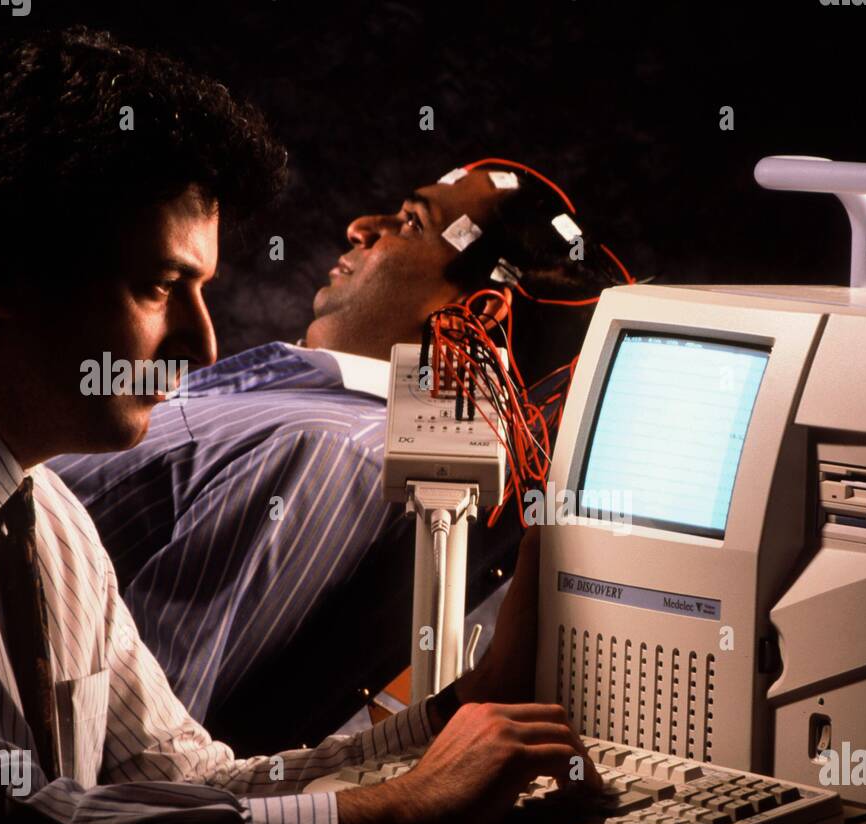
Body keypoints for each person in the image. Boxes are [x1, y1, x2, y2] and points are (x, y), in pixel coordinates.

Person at [0, 27, 599, 824]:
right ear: (10, 274)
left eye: (200, 287)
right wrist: (396, 808)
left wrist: (445, 722)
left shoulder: (49, 512)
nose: (200, 338)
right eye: (161, 287)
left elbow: (185, 778)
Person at [49, 161, 631, 753]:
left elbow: (138, 752)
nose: (360, 227)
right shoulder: (309, 418)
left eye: (410, 223)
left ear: (478, 314)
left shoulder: (328, 452)